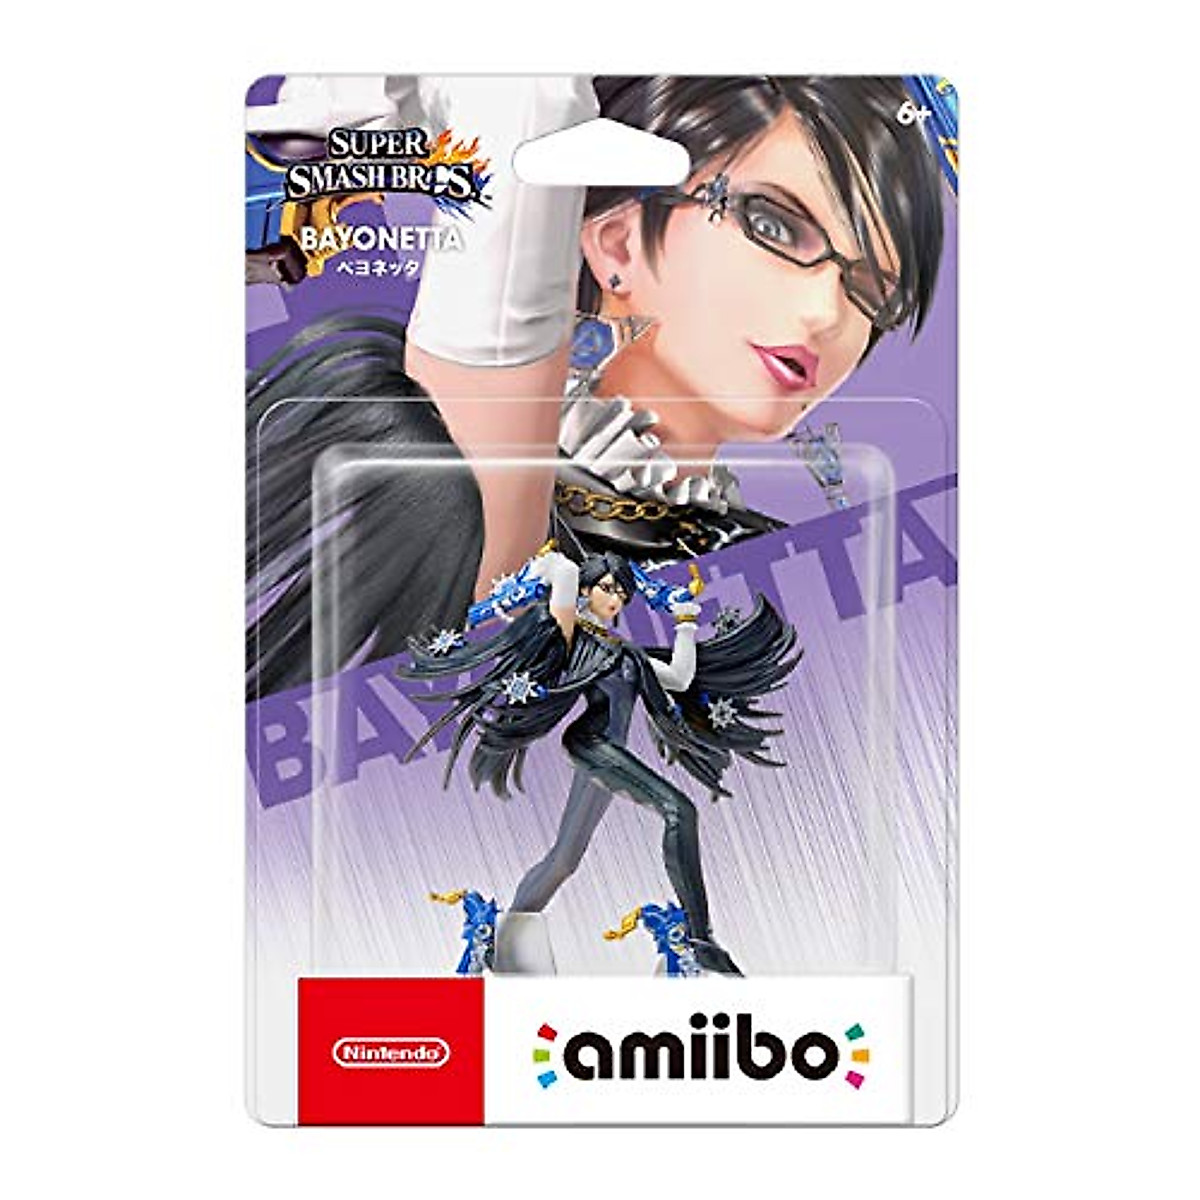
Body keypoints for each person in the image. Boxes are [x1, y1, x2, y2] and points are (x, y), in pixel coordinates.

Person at [246, 76, 945, 695]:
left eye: (871, 291)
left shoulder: (781, 571)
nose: (828, 314)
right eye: (775, 225)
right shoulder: (451, 479)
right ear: (617, 242)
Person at [400, 546, 801, 975]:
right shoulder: (570, 633)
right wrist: (549, 566)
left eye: (622, 594)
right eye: (607, 589)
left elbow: (679, 678)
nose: (615, 600)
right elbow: (563, 575)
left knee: (565, 859)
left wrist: (685, 622)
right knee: (678, 811)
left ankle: (501, 942)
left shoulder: (626, 652)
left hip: (610, 752)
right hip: (591, 744)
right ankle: (700, 940)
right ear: (586, 589)